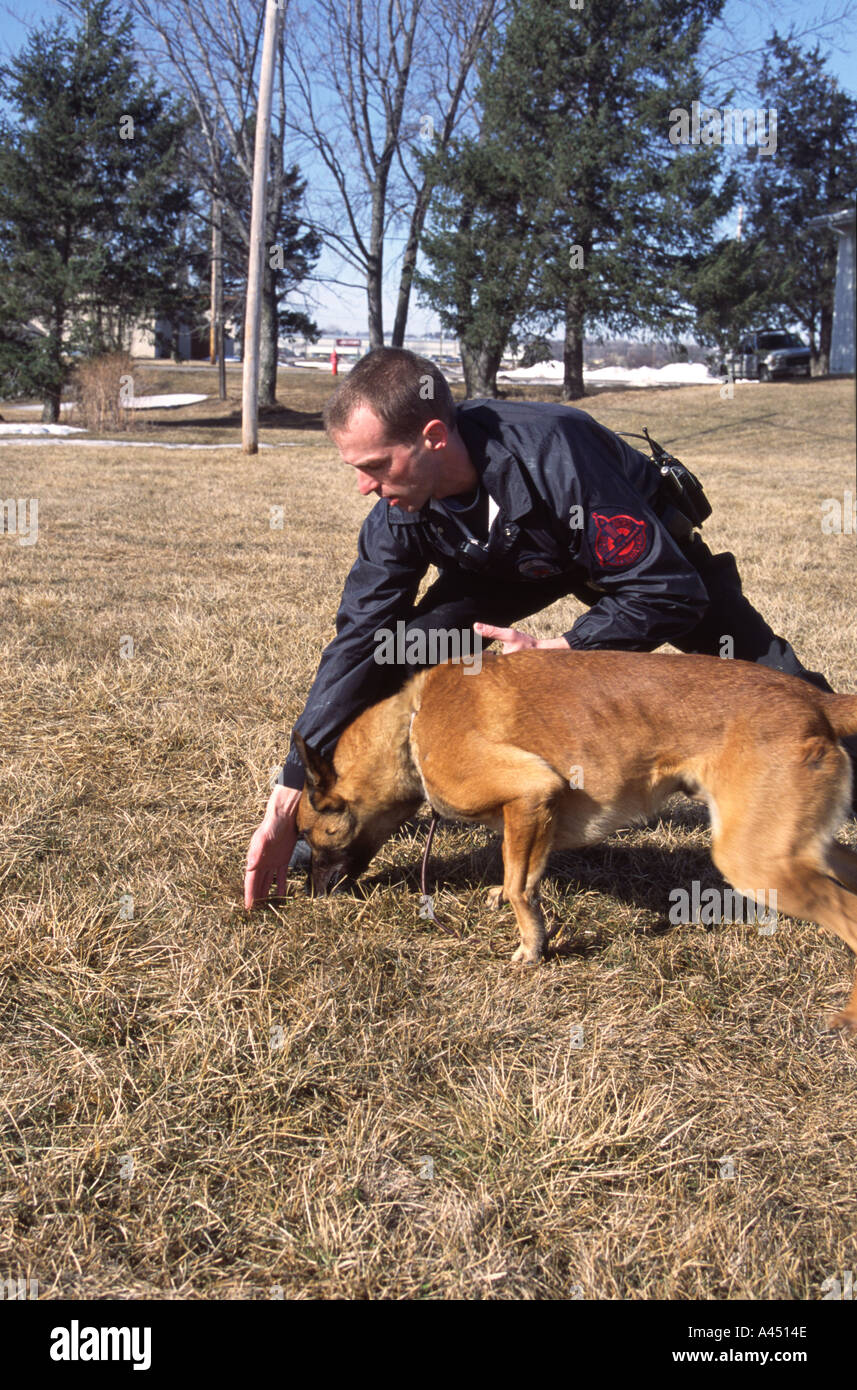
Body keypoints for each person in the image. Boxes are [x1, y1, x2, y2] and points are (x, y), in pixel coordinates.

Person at [244, 348, 852, 907]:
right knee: (401, 651)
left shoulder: (556, 453)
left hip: (638, 558)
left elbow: (667, 591)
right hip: (512, 563)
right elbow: (359, 636)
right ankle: (345, 827)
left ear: (432, 437)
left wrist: (564, 649)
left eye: (375, 465)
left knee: (775, 686)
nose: (364, 487)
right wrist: (295, 783)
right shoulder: (398, 506)